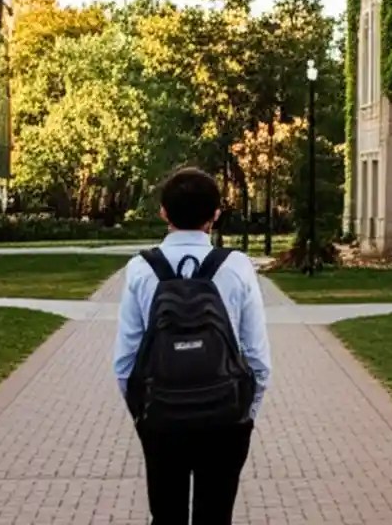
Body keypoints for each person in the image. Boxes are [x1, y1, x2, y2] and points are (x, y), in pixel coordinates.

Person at [113, 167, 272, 525]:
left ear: (163, 213)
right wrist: (246, 415)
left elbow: (124, 362)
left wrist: (142, 416)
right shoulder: (237, 267)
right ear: (215, 215)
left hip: (161, 416)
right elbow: (259, 359)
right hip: (225, 417)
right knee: (215, 516)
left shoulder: (140, 269)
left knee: (166, 516)